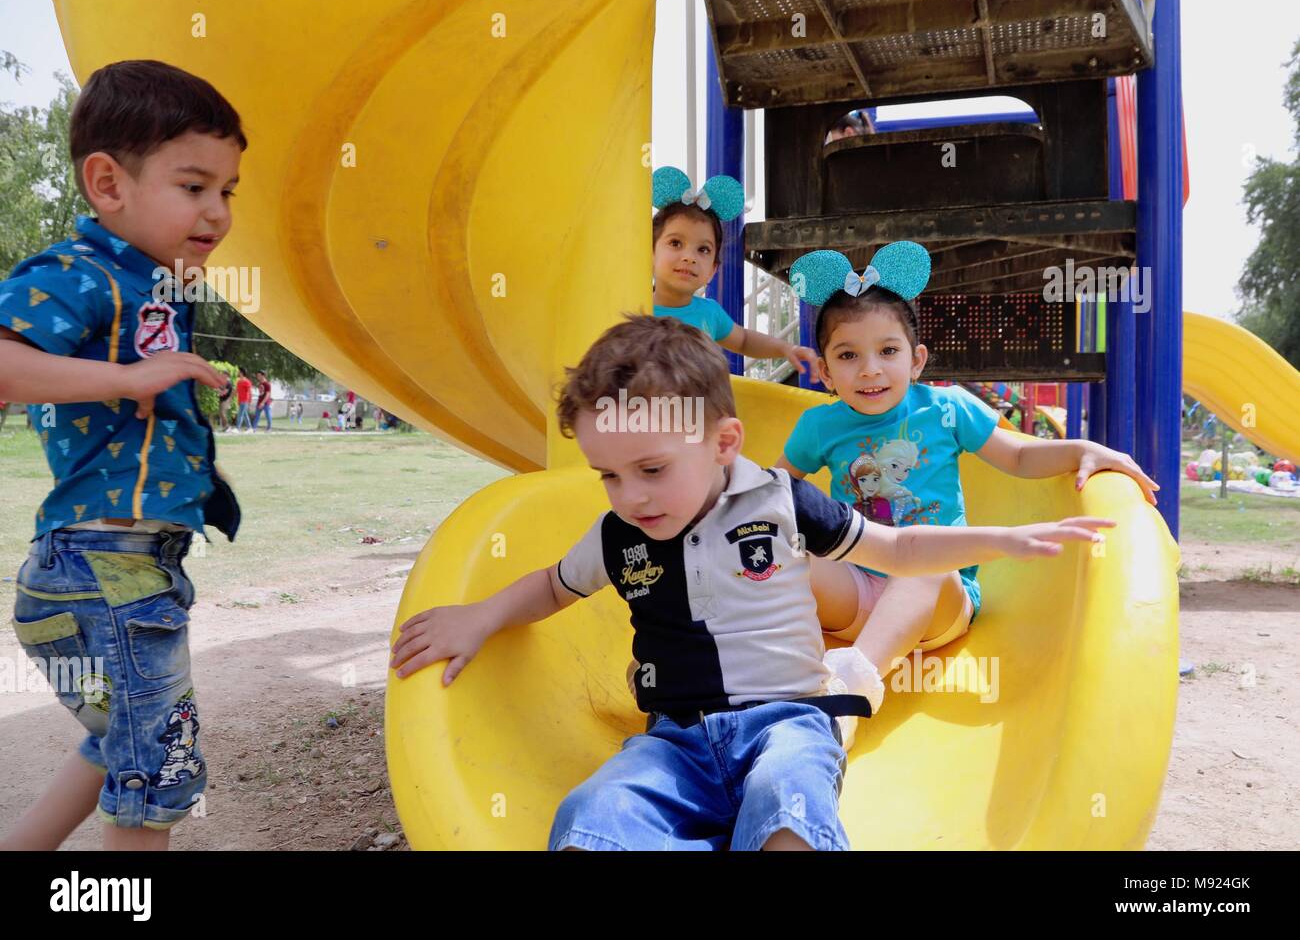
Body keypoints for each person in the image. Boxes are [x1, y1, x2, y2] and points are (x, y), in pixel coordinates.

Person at [388, 315, 1112, 851]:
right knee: (589, 820)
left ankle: (848, 689)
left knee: (789, 808)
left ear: (723, 443)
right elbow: (551, 586)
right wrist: (480, 616)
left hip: (788, 722)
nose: (632, 496)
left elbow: (897, 547)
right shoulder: (623, 537)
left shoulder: (778, 502)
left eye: (651, 470)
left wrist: (1002, 539)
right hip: (673, 742)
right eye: (609, 475)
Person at [0, 59, 245, 850]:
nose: (218, 211)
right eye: (194, 185)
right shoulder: (81, 273)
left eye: (228, 191)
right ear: (107, 183)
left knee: (122, 746)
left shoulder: (155, 288)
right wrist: (128, 375)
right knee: (160, 771)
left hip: (108, 569)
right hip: (108, 569)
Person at [775, 243, 1158, 697]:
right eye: (848, 356)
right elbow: (775, 492)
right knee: (781, 550)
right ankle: (772, 668)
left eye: (887, 350)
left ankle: (854, 686)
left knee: (928, 560)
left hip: (937, 600)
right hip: (856, 589)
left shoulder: (946, 408)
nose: (869, 369)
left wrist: (1082, 449)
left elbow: (1018, 456)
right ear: (823, 371)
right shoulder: (820, 425)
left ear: (915, 360)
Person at [650, 166, 821, 382]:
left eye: (703, 249)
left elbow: (744, 340)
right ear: (650, 255)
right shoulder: (634, 306)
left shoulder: (709, 313)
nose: (689, 257)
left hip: (696, 411)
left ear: (713, 270)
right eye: (675, 243)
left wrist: (785, 348)